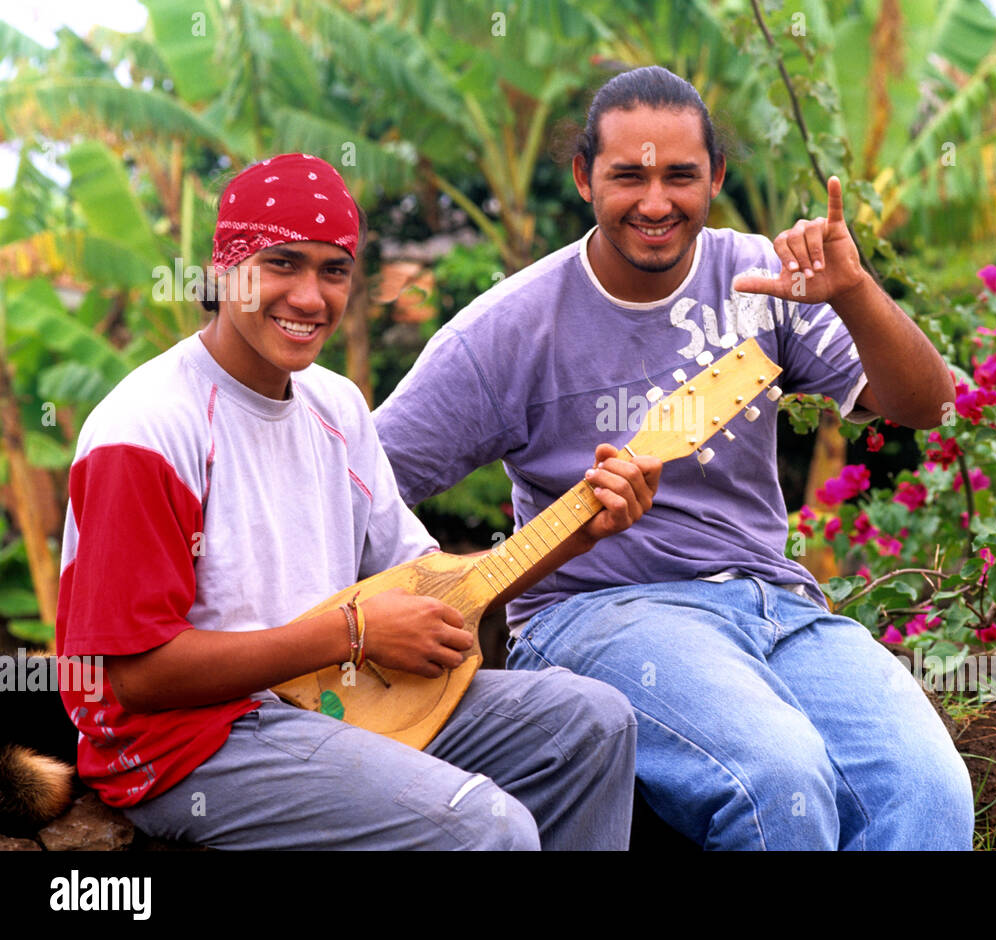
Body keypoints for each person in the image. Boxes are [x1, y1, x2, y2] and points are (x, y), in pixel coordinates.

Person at [374, 66, 975, 850]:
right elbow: (361, 483)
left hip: (778, 606)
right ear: (585, 178)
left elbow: (936, 407)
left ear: (715, 178)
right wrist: (449, 582)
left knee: (929, 790)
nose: (655, 202)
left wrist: (853, 289)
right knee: (778, 779)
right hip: (602, 614)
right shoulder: (507, 330)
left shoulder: (763, 281)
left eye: (680, 176)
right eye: (628, 176)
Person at [55, 153, 661, 850]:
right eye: (282, 264)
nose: (311, 298)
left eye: (333, 270)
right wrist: (353, 633)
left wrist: (581, 527)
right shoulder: (148, 425)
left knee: (595, 720)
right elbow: (132, 677)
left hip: (339, 696)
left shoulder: (337, 406)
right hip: (189, 743)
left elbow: (439, 591)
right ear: (224, 269)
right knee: (487, 831)